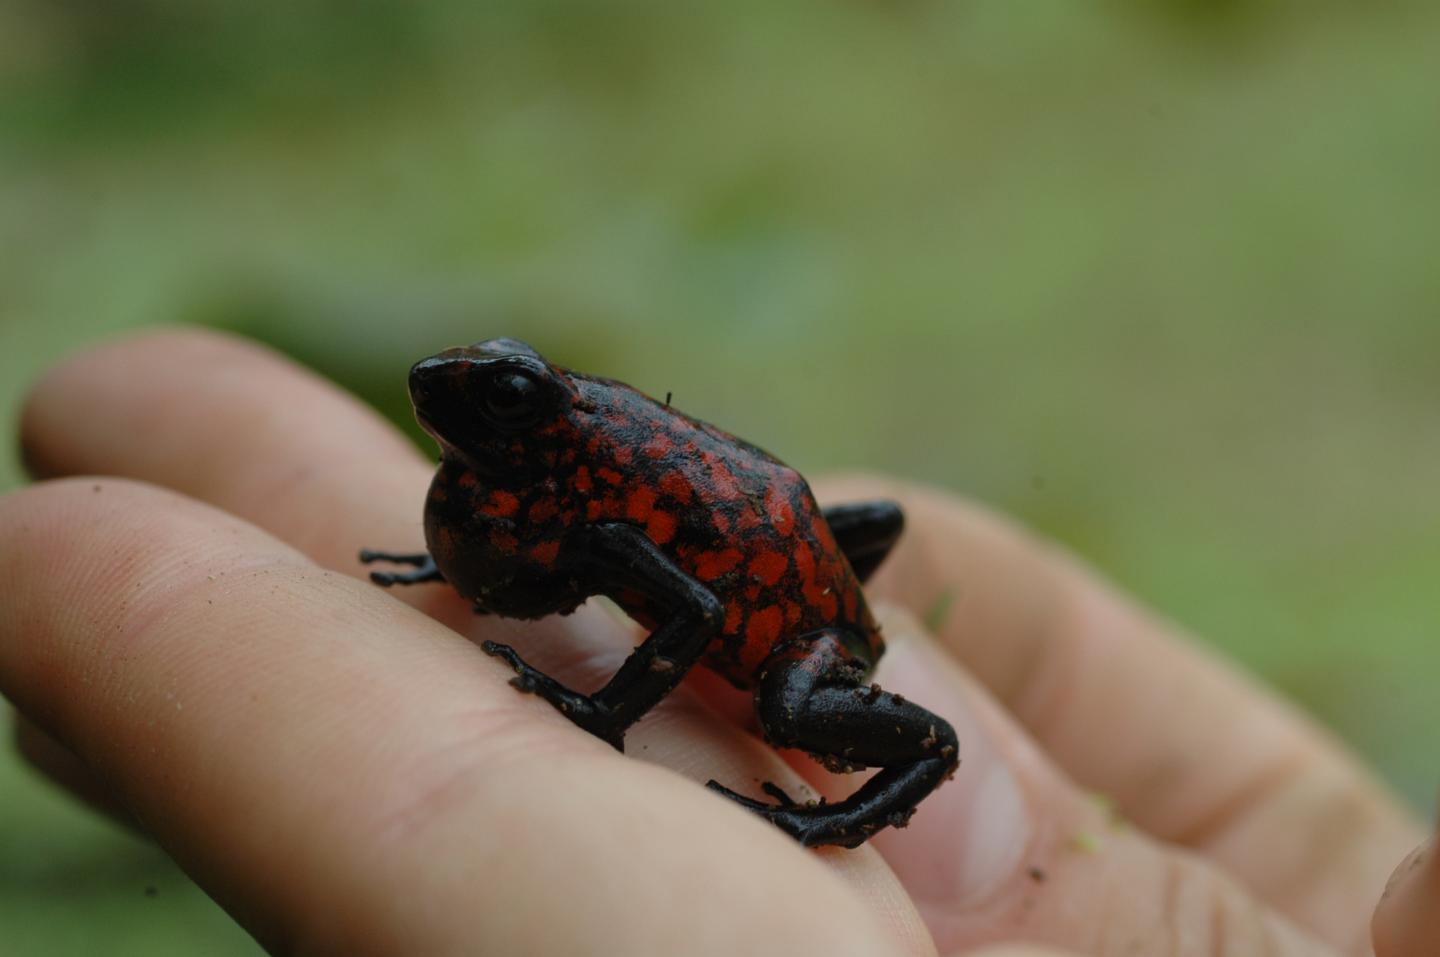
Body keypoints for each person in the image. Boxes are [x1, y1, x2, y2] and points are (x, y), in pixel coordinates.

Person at [4, 328, 1434, 956]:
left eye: (490, 397)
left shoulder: (597, 477)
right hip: (784, 560)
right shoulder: (572, 464)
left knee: (889, 724)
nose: (453, 402)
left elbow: (686, 612)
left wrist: (604, 719)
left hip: (796, 636)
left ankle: (855, 804)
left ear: (538, 419)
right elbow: (601, 570)